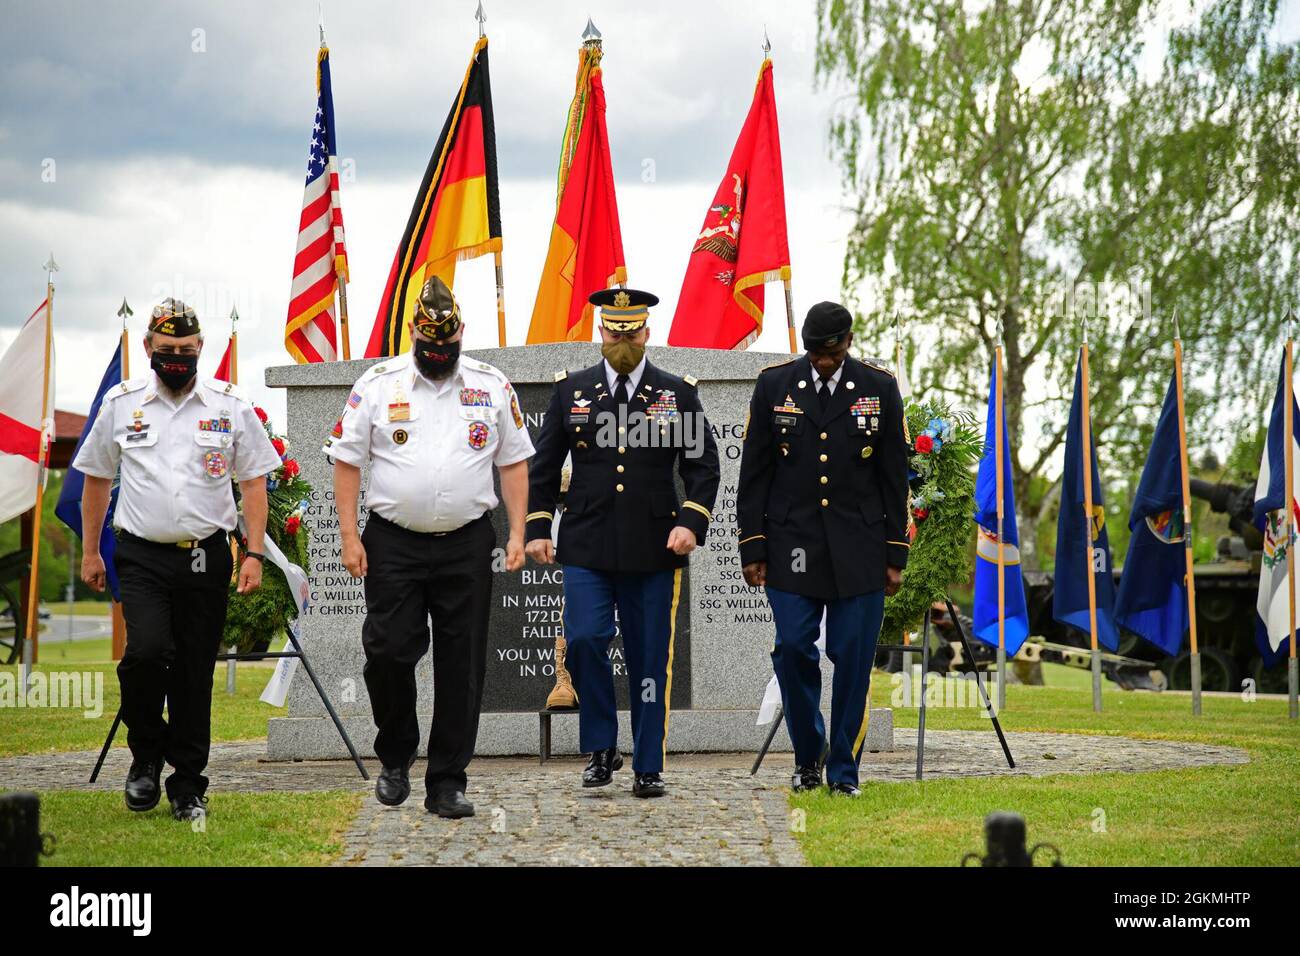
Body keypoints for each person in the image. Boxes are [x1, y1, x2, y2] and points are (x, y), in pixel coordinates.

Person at [327, 276, 533, 819]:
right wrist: (349, 535)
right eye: (429, 345)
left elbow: (513, 460)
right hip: (393, 542)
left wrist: (516, 532)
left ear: (462, 334)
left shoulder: (490, 384)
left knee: (462, 663)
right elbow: (346, 460)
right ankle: (396, 754)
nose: (438, 354)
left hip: (467, 540)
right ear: (414, 332)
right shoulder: (378, 383)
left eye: (447, 346)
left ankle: (447, 780)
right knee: (388, 652)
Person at [75, 298, 281, 821]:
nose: (176, 359)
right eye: (166, 350)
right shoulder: (122, 404)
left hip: (205, 556)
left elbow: (253, 481)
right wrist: (90, 550)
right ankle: (146, 756)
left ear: (200, 349)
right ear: (147, 348)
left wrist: (253, 552)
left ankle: (187, 786)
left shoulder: (228, 406)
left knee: (193, 673)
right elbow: (96, 478)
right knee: (144, 653)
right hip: (140, 554)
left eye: (186, 351)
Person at [525, 288, 720, 798]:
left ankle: (648, 763)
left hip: (653, 548)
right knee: (586, 640)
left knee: (649, 656)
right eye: (614, 332)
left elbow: (703, 468)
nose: (623, 341)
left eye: (632, 332)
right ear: (601, 333)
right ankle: (601, 745)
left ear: (647, 333)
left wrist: (690, 523)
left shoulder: (677, 393)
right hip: (587, 544)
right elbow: (543, 468)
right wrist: (538, 528)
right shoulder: (573, 391)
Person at [736, 301, 910, 796]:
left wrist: (895, 554)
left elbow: (895, 476)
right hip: (793, 545)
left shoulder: (878, 387)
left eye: (830, 353)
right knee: (792, 649)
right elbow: (755, 475)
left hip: (860, 547)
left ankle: (843, 773)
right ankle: (808, 755)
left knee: (852, 659)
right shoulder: (775, 385)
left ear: (848, 343)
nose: (821, 362)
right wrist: (753, 545)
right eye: (813, 353)